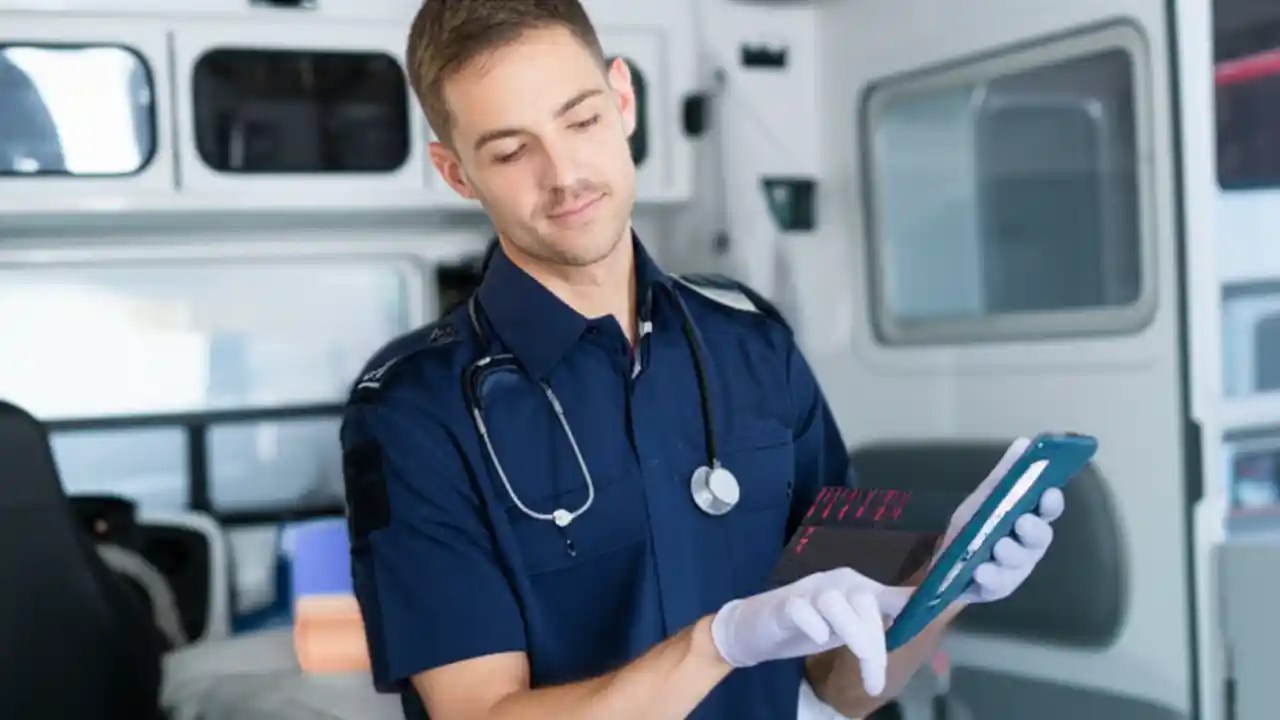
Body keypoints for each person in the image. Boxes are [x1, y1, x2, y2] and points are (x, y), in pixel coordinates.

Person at [339, 1, 1065, 718]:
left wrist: (945, 584)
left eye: (582, 119)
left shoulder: (753, 345)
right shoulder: (413, 412)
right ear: (456, 171)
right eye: (509, 150)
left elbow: (847, 684)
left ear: (623, 99)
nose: (563, 175)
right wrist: (717, 644)